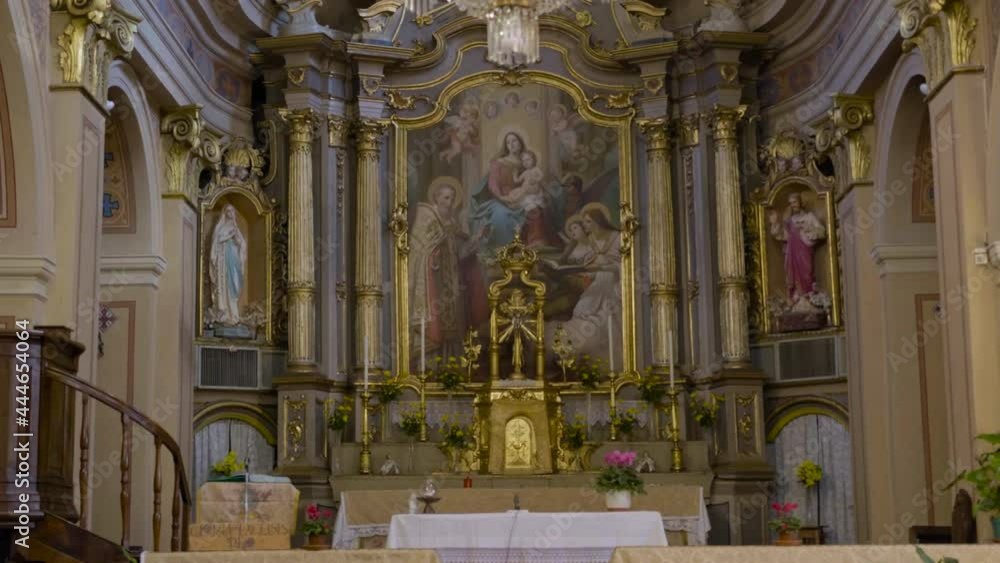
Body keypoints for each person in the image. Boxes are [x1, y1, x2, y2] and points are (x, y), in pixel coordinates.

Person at [410, 177, 489, 359]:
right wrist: (432, 257)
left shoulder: (453, 224)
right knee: (438, 319)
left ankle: (453, 361)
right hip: (435, 279)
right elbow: (420, 249)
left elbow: (461, 254)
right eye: (446, 197)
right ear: (436, 198)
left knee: (457, 319)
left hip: (453, 280)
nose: (450, 202)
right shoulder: (427, 218)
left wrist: (476, 237)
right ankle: (434, 362)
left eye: (452, 198)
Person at [768, 192, 826, 303]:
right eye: (791, 203)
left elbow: (821, 231)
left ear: (800, 202)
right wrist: (775, 223)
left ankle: (809, 296)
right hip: (792, 253)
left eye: (795, 202)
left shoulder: (809, 217)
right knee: (793, 274)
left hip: (805, 252)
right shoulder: (789, 222)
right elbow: (782, 236)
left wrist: (807, 229)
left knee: (807, 272)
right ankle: (797, 296)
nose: (793, 205)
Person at [209, 204, 247, 325]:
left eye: (232, 211)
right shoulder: (220, 227)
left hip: (232, 259)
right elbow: (216, 241)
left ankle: (234, 315)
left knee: (233, 286)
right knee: (223, 285)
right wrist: (227, 237)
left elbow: (242, 243)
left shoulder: (235, 227)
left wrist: (239, 247)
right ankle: (223, 313)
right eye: (228, 211)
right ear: (224, 213)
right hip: (222, 261)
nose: (230, 213)